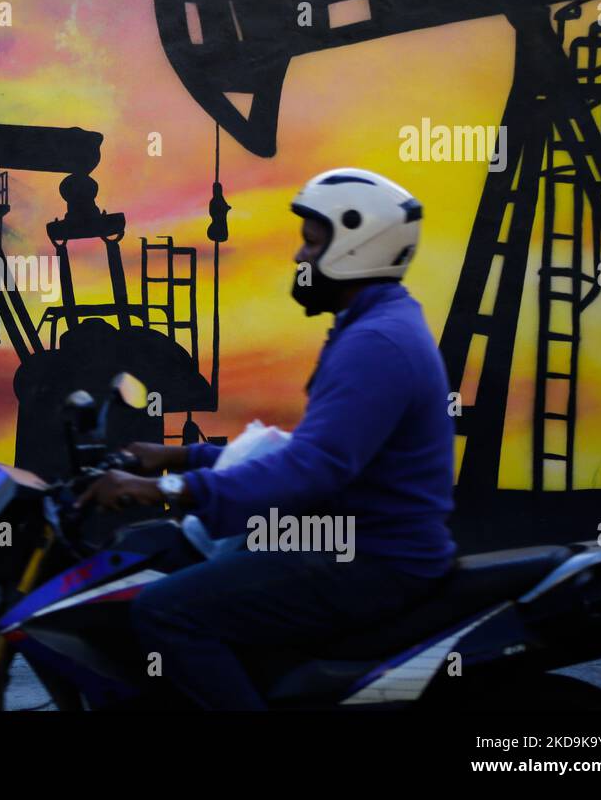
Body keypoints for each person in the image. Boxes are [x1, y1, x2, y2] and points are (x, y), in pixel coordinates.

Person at [77, 167, 457, 710]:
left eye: (311, 242)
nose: (300, 258)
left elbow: (310, 471)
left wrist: (174, 489)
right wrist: (177, 456)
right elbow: (303, 455)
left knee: (166, 610)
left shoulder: (375, 343)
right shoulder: (376, 328)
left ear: (356, 245)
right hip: (354, 540)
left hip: (371, 556)